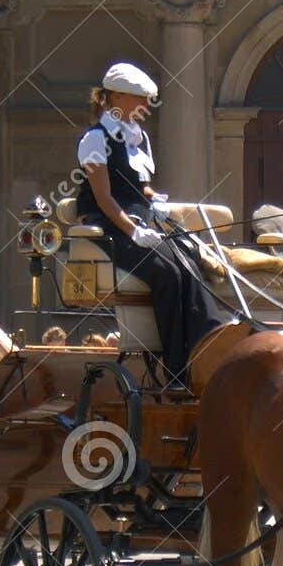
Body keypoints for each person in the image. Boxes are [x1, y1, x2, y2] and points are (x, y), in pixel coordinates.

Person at [75, 61, 225, 386]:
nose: (145, 105)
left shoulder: (139, 137)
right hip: (109, 225)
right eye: (138, 98)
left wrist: (154, 200)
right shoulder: (94, 139)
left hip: (139, 219)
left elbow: (138, 185)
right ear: (115, 96)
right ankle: (175, 370)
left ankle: (207, 343)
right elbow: (103, 197)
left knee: (188, 264)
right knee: (167, 275)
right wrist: (133, 230)